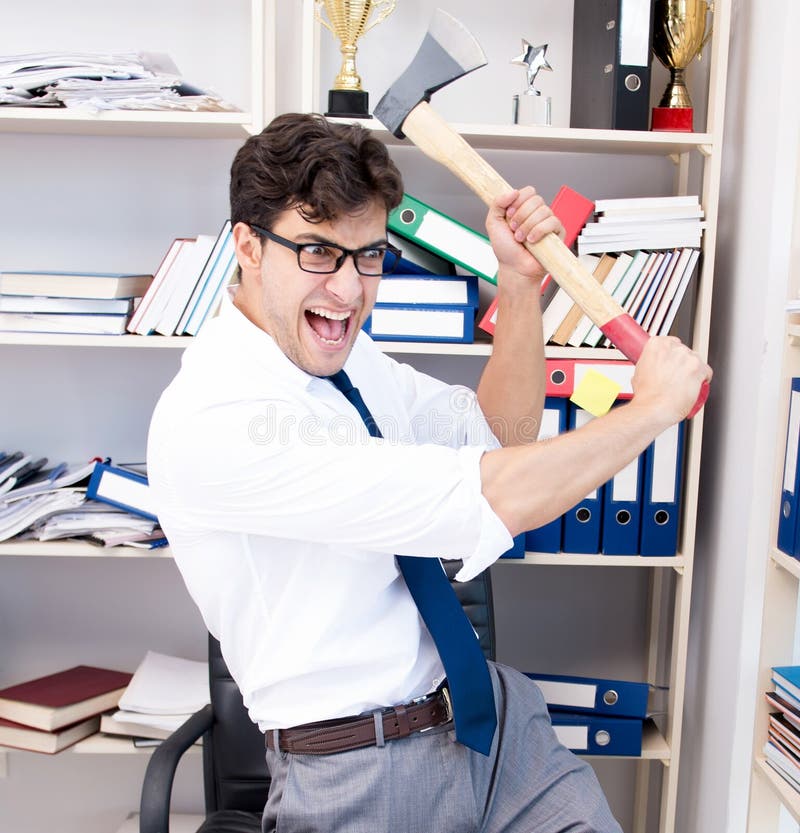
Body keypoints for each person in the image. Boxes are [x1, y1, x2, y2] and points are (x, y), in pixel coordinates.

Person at [147, 112, 711, 833]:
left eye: (369, 255)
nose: (349, 292)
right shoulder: (217, 419)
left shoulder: (350, 361)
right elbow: (497, 494)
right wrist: (651, 409)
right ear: (248, 246)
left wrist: (516, 281)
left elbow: (500, 435)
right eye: (319, 251)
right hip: (364, 772)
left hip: (494, 728)